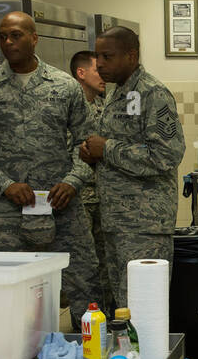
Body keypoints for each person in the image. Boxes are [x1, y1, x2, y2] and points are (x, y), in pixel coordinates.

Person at [0, 12, 100, 322]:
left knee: (84, 286)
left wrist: (73, 181)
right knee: (12, 293)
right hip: (7, 210)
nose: (9, 42)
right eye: (3, 36)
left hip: (61, 204)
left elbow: (86, 145)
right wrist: (3, 184)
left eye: (17, 35)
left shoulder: (64, 86)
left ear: (34, 38)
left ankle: (88, 357)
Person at [78, 26, 185, 307]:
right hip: (114, 220)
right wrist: (93, 153)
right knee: (122, 307)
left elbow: (167, 154)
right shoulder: (117, 92)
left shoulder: (152, 93)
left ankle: (148, 353)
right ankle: (125, 353)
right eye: (97, 56)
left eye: (108, 56)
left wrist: (108, 149)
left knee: (145, 306)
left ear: (131, 55)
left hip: (144, 225)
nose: (99, 63)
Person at [70, 48, 112, 316]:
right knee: (83, 264)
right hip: (78, 195)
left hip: (101, 194)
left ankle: (106, 316)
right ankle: (84, 321)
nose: (104, 74)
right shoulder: (69, 105)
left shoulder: (102, 104)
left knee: (105, 261)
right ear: (81, 73)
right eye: (98, 69)